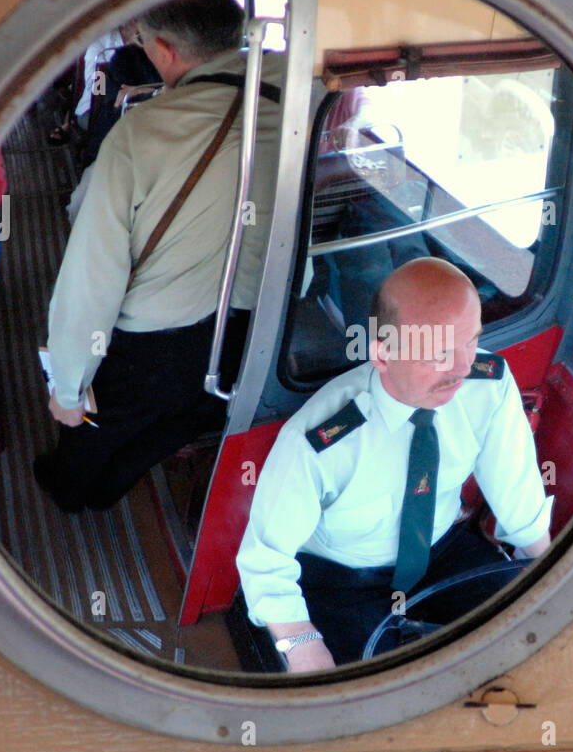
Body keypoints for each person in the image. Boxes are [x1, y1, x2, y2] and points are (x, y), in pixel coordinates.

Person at [34, 0, 283, 512]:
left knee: (96, 426)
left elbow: (91, 280)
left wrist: (70, 392)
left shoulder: (139, 135)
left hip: (153, 344)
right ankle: (114, 486)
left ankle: (73, 494)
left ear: (164, 51)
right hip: (252, 325)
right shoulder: (296, 91)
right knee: (181, 421)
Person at [235, 258, 553, 672]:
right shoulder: (321, 439)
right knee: (368, 692)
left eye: (471, 341)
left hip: (441, 551)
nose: (460, 369)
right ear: (382, 355)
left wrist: (546, 575)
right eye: (439, 352)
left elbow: (516, 490)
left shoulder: (487, 383)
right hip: (343, 578)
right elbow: (265, 559)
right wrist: (304, 646)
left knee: (532, 635)